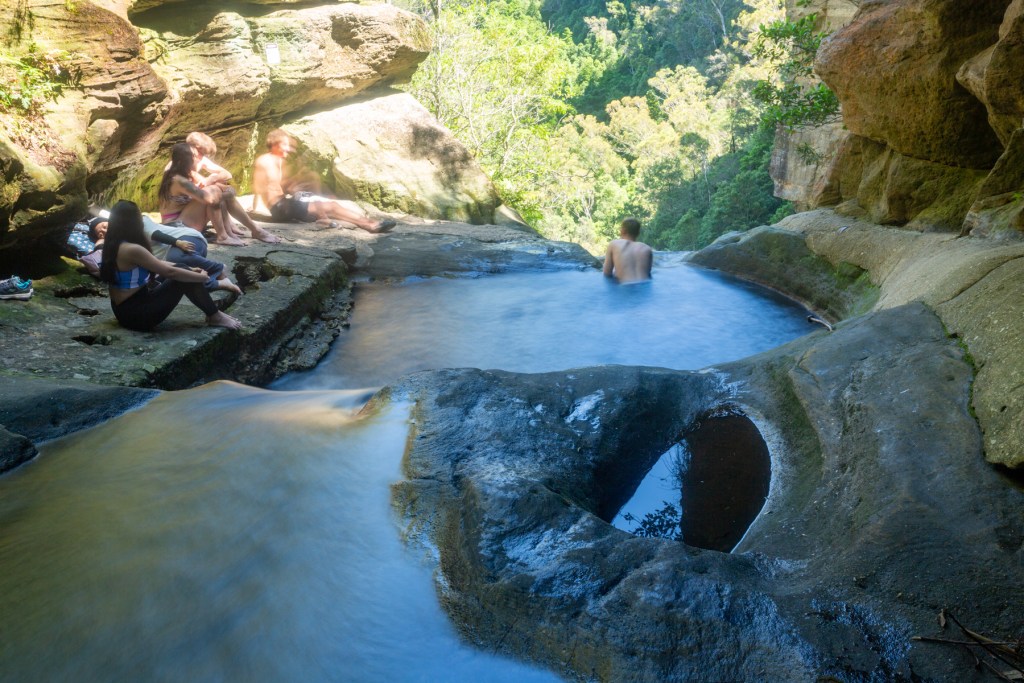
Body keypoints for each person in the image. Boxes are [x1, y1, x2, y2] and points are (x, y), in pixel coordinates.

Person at [99, 200, 241, 331]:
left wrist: (191, 270)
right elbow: (169, 272)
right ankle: (215, 315)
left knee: (182, 268)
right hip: (137, 315)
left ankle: (214, 313)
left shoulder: (115, 244)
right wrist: (202, 278)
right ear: (134, 222)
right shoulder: (131, 249)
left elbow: (157, 263)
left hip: (125, 310)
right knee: (182, 276)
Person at [252, 128, 396, 233]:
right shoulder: (269, 161)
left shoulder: (271, 160)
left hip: (280, 207)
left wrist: (254, 206)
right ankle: (369, 225)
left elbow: (260, 186)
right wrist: (296, 188)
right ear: (275, 144)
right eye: (285, 145)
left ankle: (327, 218)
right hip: (282, 208)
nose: (289, 149)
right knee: (331, 206)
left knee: (323, 203)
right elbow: (271, 185)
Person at [181, 132, 281, 244]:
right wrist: (219, 187)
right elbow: (200, 193)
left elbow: (227, 174)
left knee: (217, 185)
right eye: (202, 154)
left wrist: (213, 180)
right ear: (194, 150)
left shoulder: (199, 160)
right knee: (215, 192)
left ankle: (238, 230)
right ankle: (227, 233)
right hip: (179, 221)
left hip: (191, 212)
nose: (203, 158)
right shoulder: (177, 168)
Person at [159, 143, 244, 246]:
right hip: (175, 227)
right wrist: (229, 194)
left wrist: (218, 185)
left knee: (214, 190)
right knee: (213, 192)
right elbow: (210, 199)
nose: (198, 159)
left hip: (183, 220)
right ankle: (223, 237)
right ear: (185, 161)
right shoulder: (178, 180)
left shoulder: (186, 174)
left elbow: (210, 184)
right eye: (195, 156)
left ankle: (228, 233)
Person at [603, 217, 653, 284]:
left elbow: (607, 273)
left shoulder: (614, 244)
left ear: (623, 230)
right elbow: (648, 273)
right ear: (638, 232)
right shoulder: (647, 248)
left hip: (626, 287)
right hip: (645, 286)